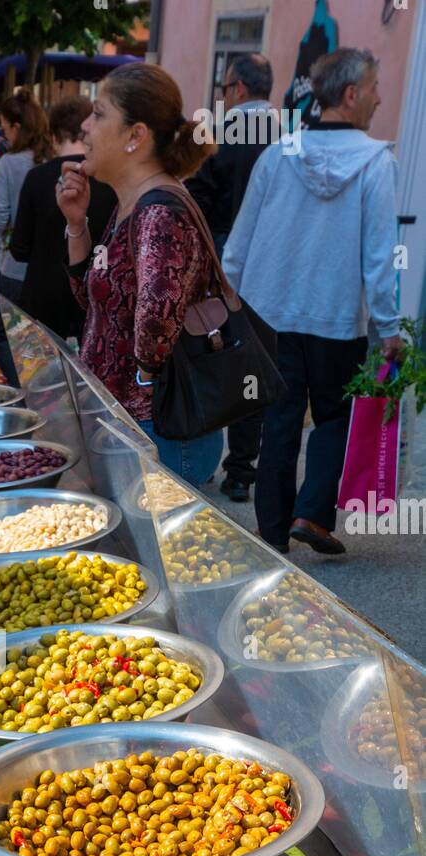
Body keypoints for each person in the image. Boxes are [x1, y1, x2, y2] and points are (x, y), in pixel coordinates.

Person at [223, 48, 402, 555]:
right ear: (350, 95)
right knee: (334, 417)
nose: (379, 97)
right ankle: (313, 515)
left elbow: (241, 238)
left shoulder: (277, 153)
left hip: (272, 311)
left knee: (277, 419)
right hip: (337, 316)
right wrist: (388, 328)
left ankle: (273, 528)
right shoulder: (376, 164)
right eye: (373, 88)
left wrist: (230, 302)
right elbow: (379, 257)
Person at [57, 64, 222, 487]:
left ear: (136, 135)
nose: (85, 126)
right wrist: (77, 225)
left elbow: (153, 337)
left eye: (98, 114)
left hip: (153, 434)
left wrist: (114, 398)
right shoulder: (131, 203)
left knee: (152, 553)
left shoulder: (158, 214)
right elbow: (94, 304)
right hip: (128, 426)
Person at [187, 53, 275, 502]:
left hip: (221, 257)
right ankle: (242, 468)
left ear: (237, 88)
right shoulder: (289, 137)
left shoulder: (215, 134)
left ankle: (199, 458)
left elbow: (196, 201)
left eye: (223, 89)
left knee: (211, 353)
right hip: (275, 263)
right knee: (256, 362)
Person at [10, 95, 117, 340]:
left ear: (54, 136)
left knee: (40, 377)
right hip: (93, 303)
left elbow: (19, 248)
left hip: (42, 299)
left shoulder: (37, 178)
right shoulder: (110, 181)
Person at [0, 88, 52, 303]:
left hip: (16, 268)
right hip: (53, 271)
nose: (3, 134)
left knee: (14, 336)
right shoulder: (57, 160)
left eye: (4, 128)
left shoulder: (10, 163)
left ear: (17, 127)